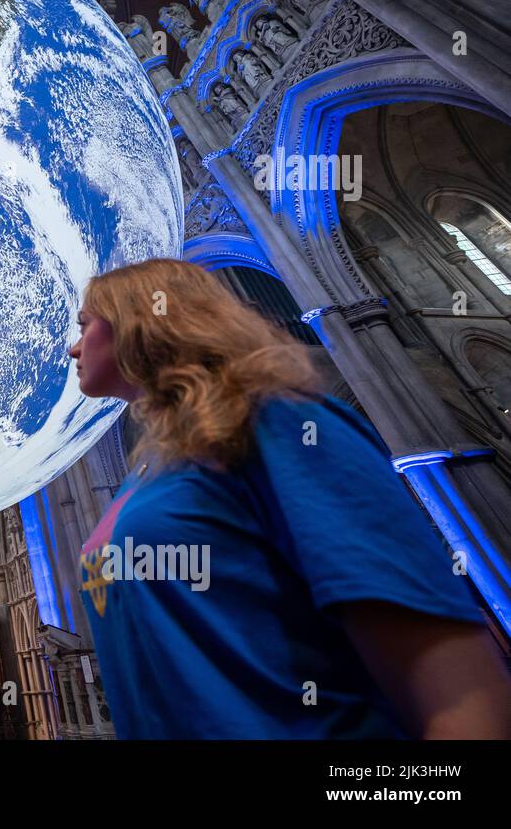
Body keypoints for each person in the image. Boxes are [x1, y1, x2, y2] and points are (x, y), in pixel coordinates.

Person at [68, 257, 511, 738]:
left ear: (135, 323)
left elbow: (457, 687)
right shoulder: (145, 475)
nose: (73, 347)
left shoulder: (278, 425)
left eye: (85, 325)